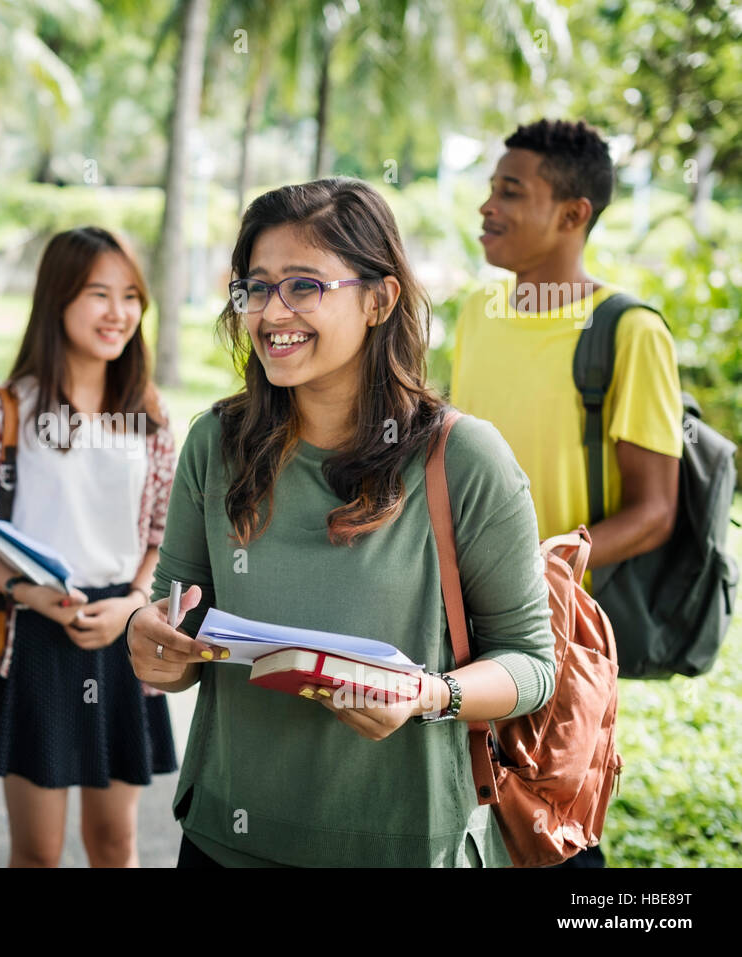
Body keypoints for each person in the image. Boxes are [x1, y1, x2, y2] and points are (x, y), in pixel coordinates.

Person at [125, 179, 557, 868]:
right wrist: (155, 647)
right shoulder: (215, 443)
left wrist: (428, 695)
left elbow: (533, 665)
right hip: (225, 842)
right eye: (255, 287)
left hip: (403, 847)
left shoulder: (464, 458)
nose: (272, 311)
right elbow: (175, 630)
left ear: (379, 299)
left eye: (303, 285)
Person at [451, 119, 683, 867]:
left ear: (574, 213)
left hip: (559, 626)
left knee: (548, 828)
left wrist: (546, 564)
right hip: (455, 611)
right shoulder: (475, 314)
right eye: (490, 189)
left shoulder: (630, 330)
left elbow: (654, 510)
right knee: (458, 811)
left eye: (510, 192)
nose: (488, 206)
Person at [0, 226, 178, 867]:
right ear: (57, 299)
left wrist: (134, 602)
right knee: (39, 854)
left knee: (115, 844)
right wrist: (31, 595)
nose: (118, 313)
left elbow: (164, 532)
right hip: (38, 635)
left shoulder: (148, 413)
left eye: (131, 296)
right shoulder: (5, 410)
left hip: (123, 635)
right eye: (98, 293)